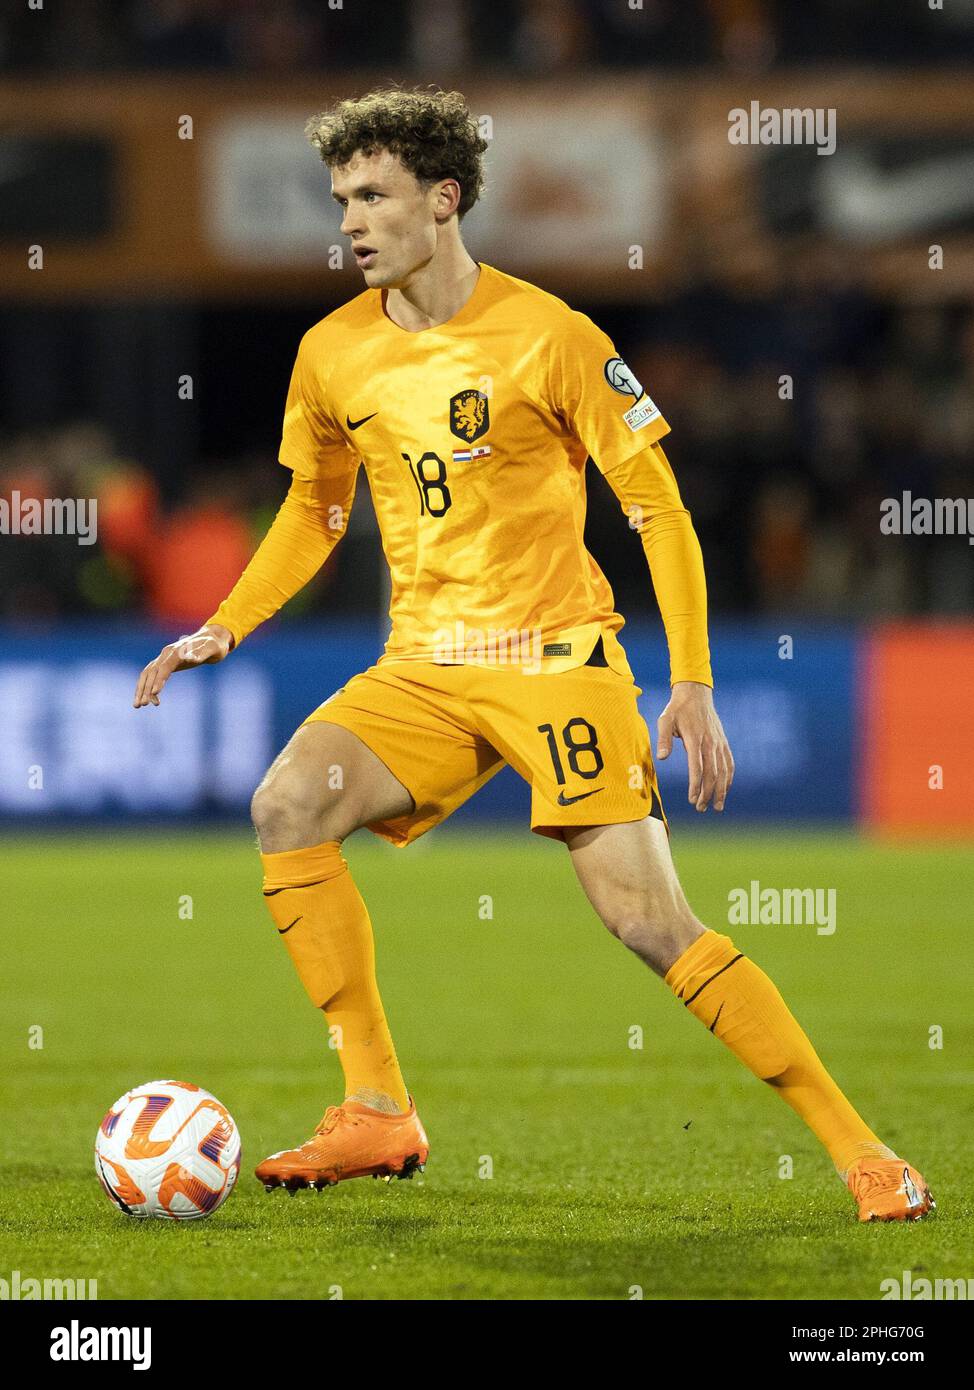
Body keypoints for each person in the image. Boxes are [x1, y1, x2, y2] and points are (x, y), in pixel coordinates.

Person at [134, 86, 933, 1222]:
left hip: (552, 656)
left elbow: (658, 510)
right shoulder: (330, 354)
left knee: (650, 924)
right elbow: (313, 512)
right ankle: (375, 1106)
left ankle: (862, 1152)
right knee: (286, 806)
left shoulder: (552, 337)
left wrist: (691, 682)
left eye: (373, 196)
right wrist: (226, 623)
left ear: (443, 198)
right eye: (340, 198)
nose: (349, 220)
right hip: (420, 664)